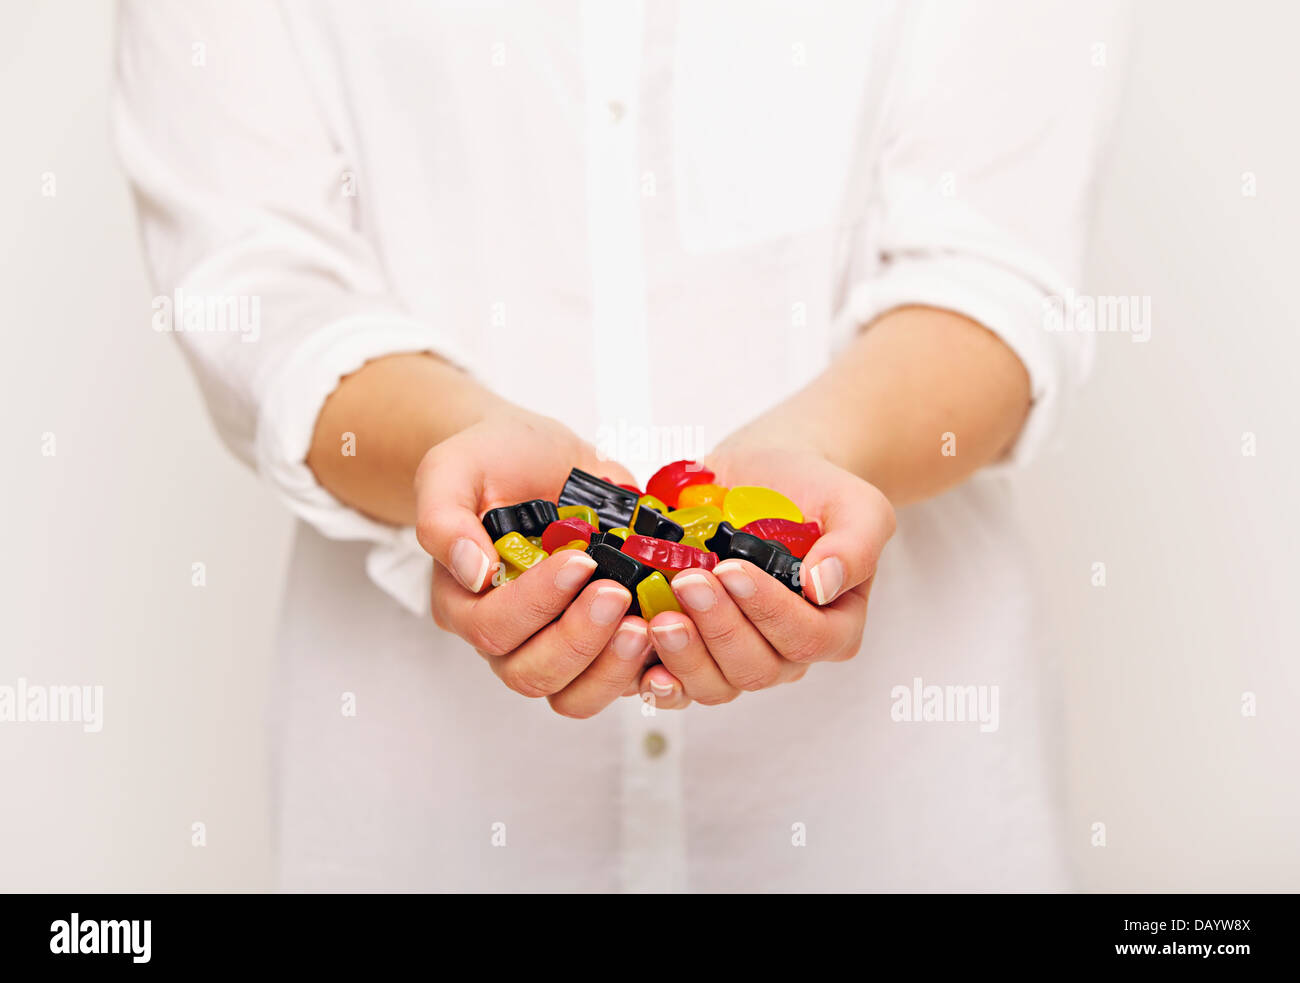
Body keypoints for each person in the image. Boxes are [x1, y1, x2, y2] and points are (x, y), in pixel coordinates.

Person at [113, 0, 1126, 891]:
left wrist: (822, 447)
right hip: (426, 801)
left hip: (898, 802)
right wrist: (451, 442)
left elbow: (997, 278)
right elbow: (248, 279)